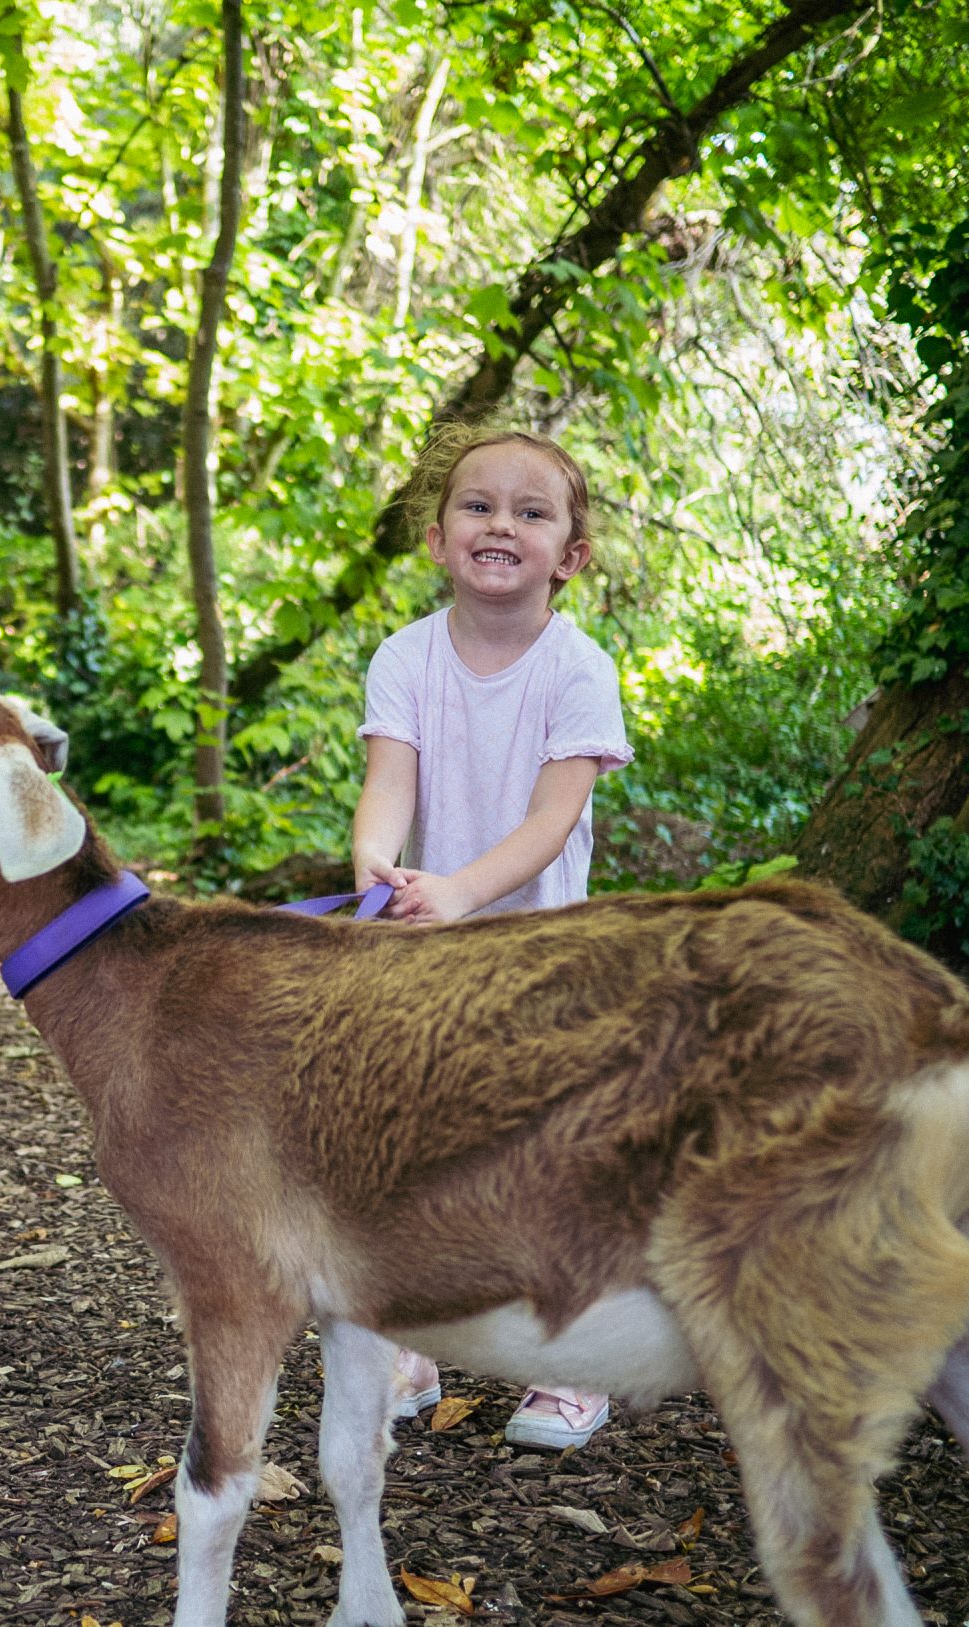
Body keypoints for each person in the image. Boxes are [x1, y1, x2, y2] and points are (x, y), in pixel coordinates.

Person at [350, 424, 632, 1450]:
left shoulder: (577, 670)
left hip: (542, 959)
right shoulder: (405, 657)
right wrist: (376, 875)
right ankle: (412, 1346)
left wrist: (460, 891)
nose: (500, 523)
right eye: (477, 505)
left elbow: (552, 820)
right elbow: (388, 786)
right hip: (434, 949)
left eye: (530, 510)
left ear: (570, 555)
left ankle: (575, 1362)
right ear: (437, 539)